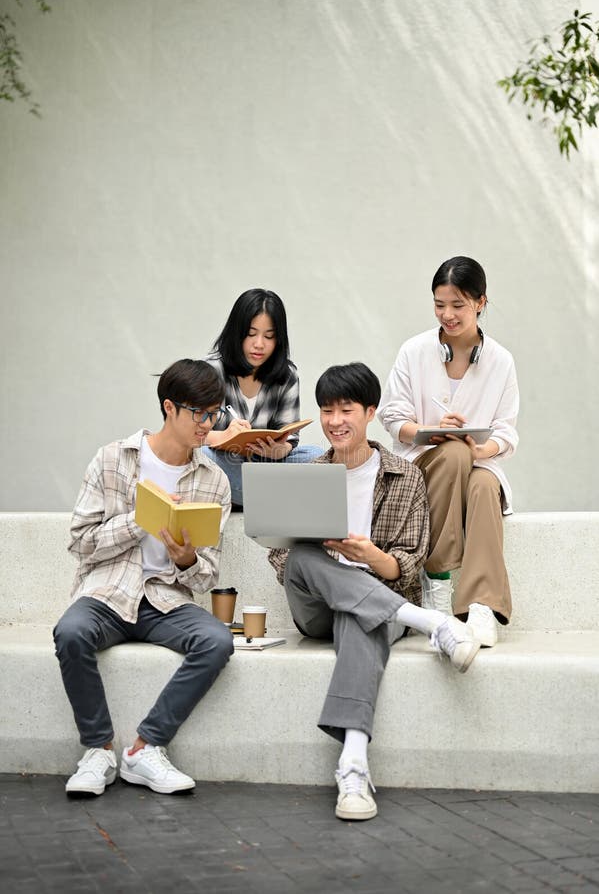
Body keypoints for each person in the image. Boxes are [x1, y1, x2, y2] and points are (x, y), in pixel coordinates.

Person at [268, 362, 480, 822]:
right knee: (305, 558)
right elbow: (283, 560)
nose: (335, 421)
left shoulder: (404, 476)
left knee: (358, 613)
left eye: (346, 409)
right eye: (327, 410)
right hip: (318, 607)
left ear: (369, 412)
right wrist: (331, 564)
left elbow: (406, 565)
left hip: (379, 601)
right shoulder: (305, 475)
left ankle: (353, 765)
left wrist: (368, 557)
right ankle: (433, 623)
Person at [53, 359, 234, 797]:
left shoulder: (214, 481)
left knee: (216, 641)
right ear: (169, 408)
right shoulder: (114, 458)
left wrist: (187, 560)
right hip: (108, 592)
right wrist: (139, 521)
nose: (207, 425)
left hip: (165, 601)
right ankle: (98, 750)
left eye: (215, 414)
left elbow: (205, 576)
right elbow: (80, 542)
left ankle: (145, 748)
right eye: (199, 414)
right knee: (71, 632)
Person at [377, 256, 519, 648]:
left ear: (480, 302)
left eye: (458, 305)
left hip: (476, 462)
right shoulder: (415, 350)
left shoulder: (501, 361)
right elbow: (391, 415)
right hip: (421, 463)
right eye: (440, 305)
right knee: (454, 454)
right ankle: (437, 582)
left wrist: (480, 448)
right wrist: (428, 433)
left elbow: (507, 432)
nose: (448, 315)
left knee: (484, 487)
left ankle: (480, 605)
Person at [202, 288, 322, 506]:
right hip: (226, 462)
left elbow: (291, 437)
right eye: (251, 334)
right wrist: (223, 437)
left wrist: (279, 450)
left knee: (316, 455)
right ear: (236, 333)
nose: (259, 344)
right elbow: (191, 434)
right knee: (203, 458)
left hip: (267, 465)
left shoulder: (287, 375)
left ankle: (254, 497)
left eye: (269, 336)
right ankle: (272, 500)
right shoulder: (212, 371)